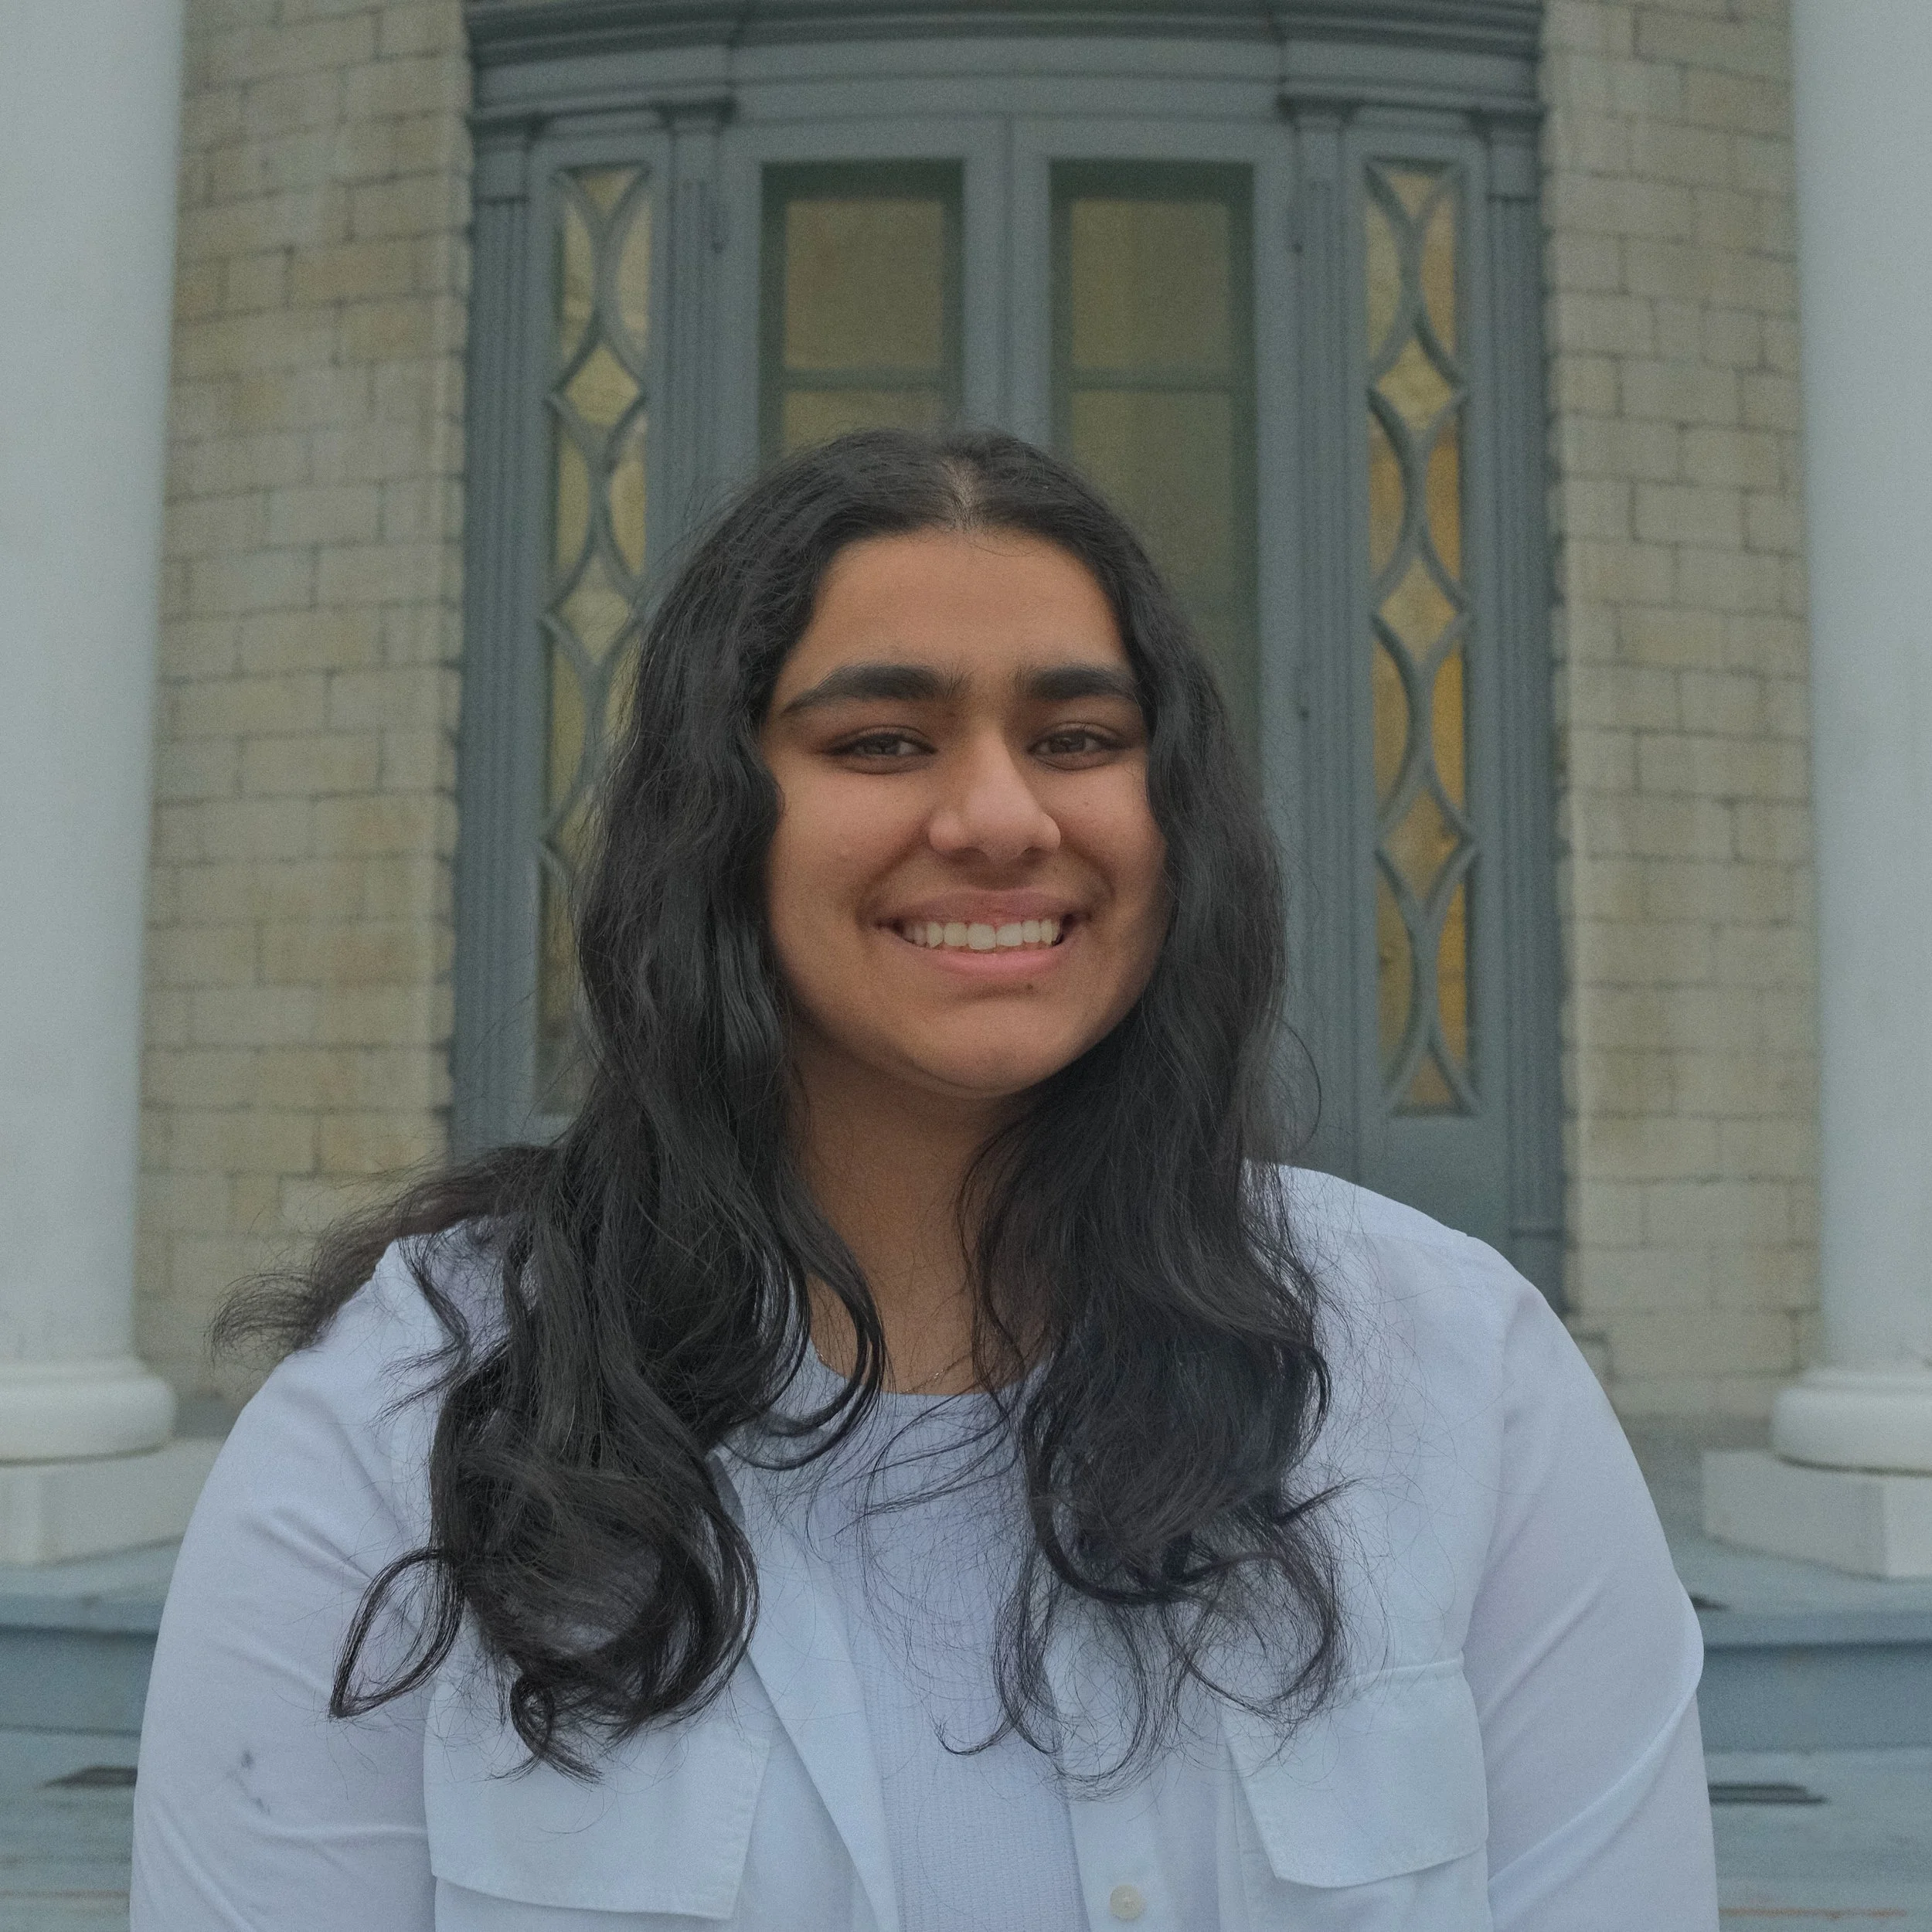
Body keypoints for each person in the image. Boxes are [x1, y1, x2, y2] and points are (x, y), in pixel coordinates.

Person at [131, 429, 1719, 1931]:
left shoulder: (1450, 1373)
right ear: (715, 819)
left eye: (1077, 738)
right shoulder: (410, 1410)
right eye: (880, 740)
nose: (998, 817)